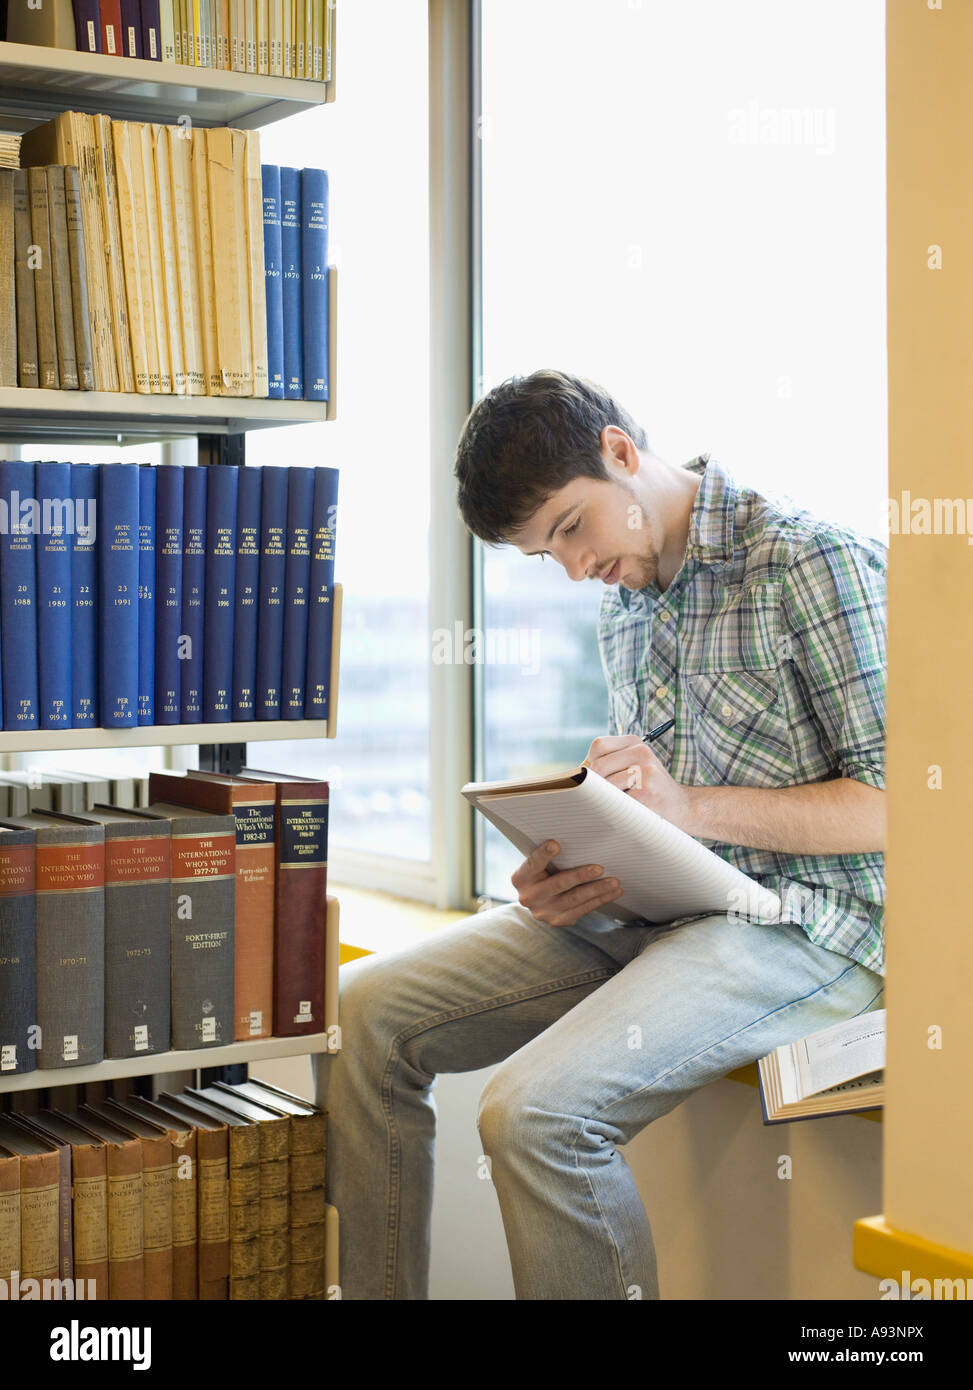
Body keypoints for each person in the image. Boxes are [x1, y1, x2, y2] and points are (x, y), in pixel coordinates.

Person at [321, 368, 887, 1300]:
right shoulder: (627, 600)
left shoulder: (809, 562)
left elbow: (904, 803)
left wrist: (689, 811)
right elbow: (660, 813)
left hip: (813, 925)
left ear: (621, 453)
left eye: (572, 528)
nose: (574, 569)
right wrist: (573, 866)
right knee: (359, 1016)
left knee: (534, 1116)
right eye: (546, 555)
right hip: (665, 908)